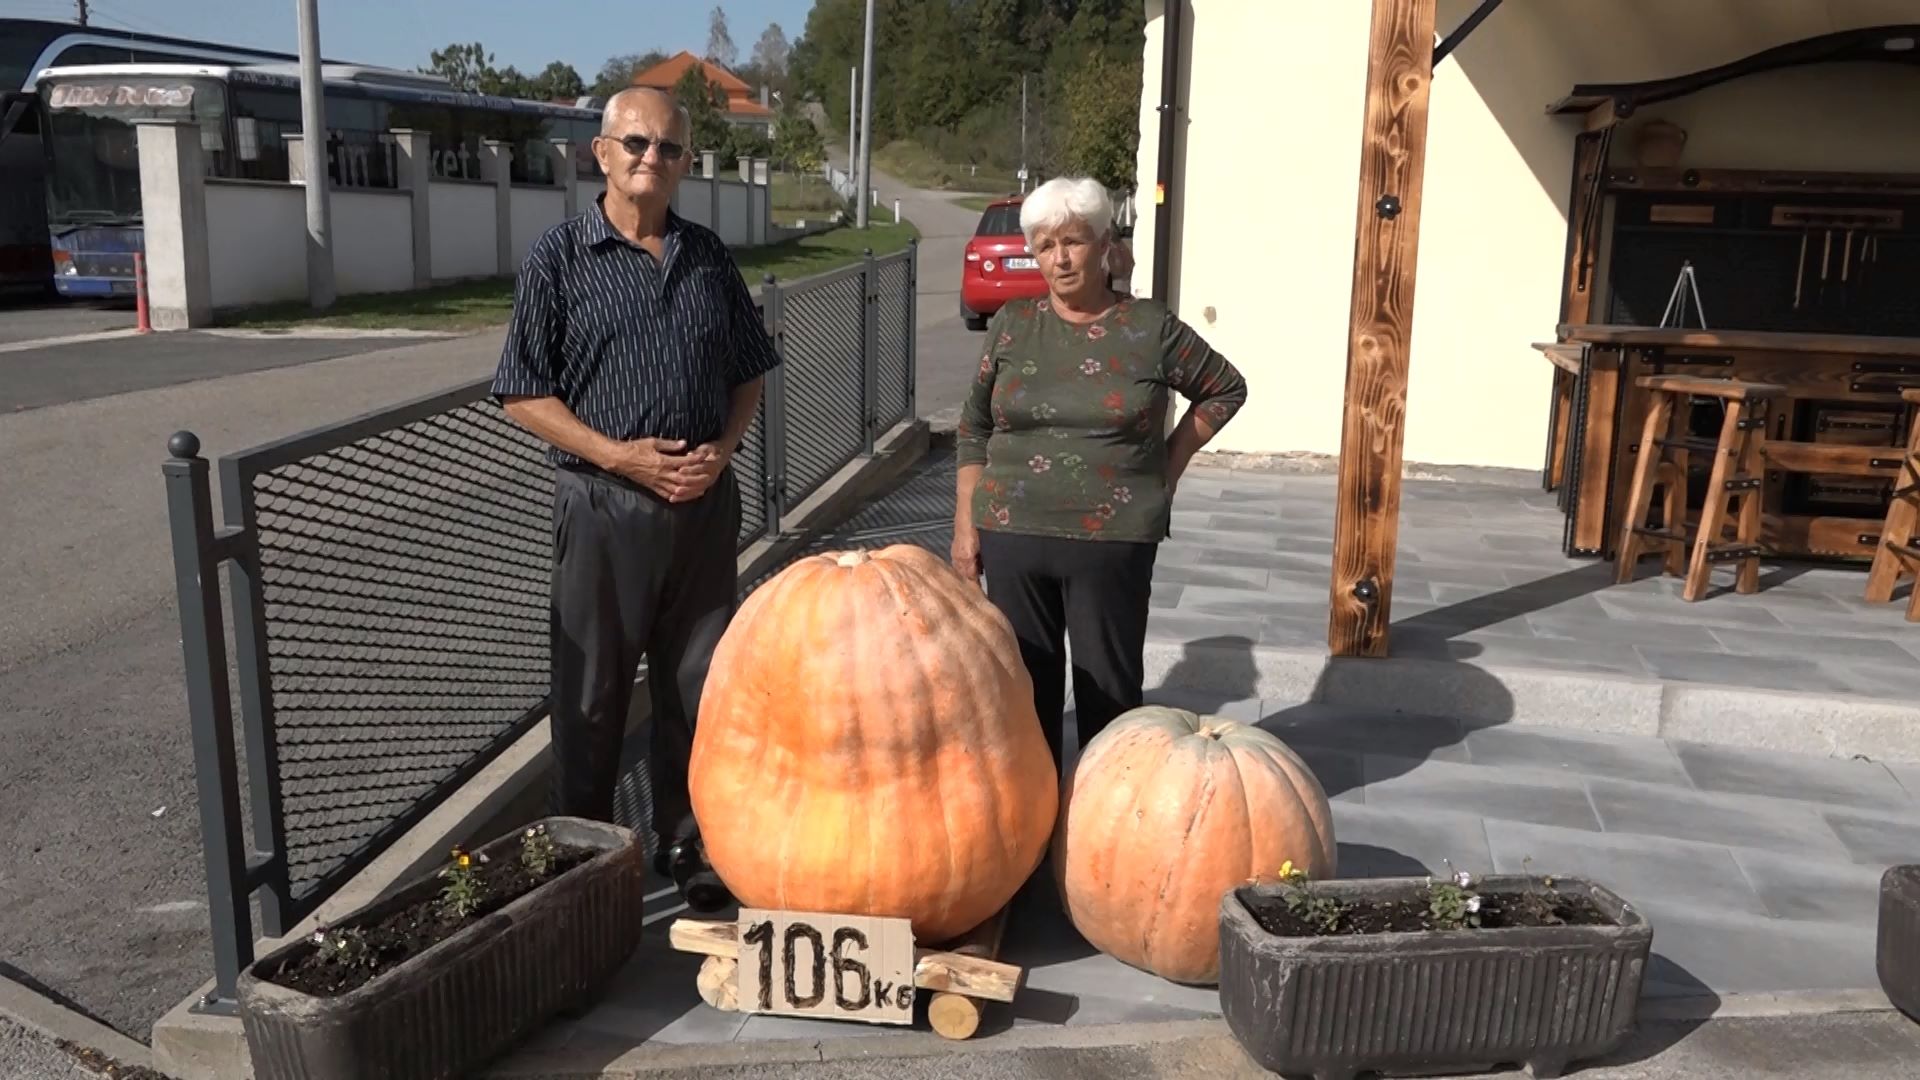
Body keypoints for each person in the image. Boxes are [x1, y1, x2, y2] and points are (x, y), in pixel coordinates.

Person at [491, 87, 779, 911]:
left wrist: (722, 453)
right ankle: (581, 867)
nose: (654, 158)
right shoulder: (559, 257)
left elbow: (748, 368)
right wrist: (623, 459)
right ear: (601, 152)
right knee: (592, 697)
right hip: (604, 509)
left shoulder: (707, 255)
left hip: (702, 507)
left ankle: (687, 845)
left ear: (687, 163)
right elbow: (520, 390)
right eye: (639, 144)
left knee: (698, 687)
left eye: (672, 149)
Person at [951, 176, 1247, 775]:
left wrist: (1168, 466)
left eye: (1074, 241)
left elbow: (1225, 389)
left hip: (1111, 540)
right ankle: (1033, 839)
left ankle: (1097, 829)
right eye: (1044, 245)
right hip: (1013, 536)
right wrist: (965, 526)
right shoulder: (1012, 324)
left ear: (1105, 244)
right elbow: (974, 428)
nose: (1059, 258)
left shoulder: (1149, 328)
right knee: (1022, 696)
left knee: (1109, 699)